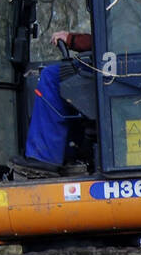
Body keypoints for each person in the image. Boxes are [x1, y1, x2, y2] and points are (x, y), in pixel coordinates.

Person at [13, 31, 91, 175]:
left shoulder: (122, 20)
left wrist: (71, 39)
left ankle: (45, 158)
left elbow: (104, 38)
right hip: (112, 63)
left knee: (52, 77)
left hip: (109, 65)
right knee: (69, 80)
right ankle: (71, 155)